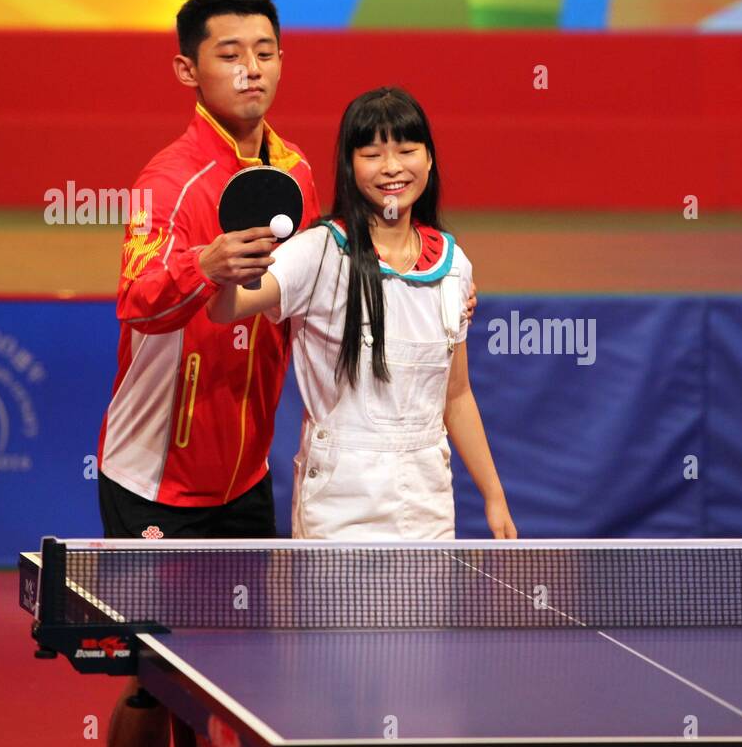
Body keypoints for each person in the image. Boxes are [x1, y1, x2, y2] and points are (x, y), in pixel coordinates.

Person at [98, 0, 476, 747]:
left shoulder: (299, 173)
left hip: (246, 475)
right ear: (188, 69)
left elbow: (331, 284)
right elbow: (135, 301)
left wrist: (436, 293)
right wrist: (203, 265)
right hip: (157, 477)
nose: (251, 70)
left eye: (265, 53)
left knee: (230, 686)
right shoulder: (167, 182)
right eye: (230, 55)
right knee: (149, 678)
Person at [209, 87, 515, 540]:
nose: (392, 167)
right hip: (338, 506)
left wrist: (494, 494)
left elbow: (457, 395)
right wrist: (230, 265)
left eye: (407, 150)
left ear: (429, 159)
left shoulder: (454, 266)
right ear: (349, 167)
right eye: (372, 154)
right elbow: (225, 309)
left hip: (428, 505)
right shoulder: (318, 252)